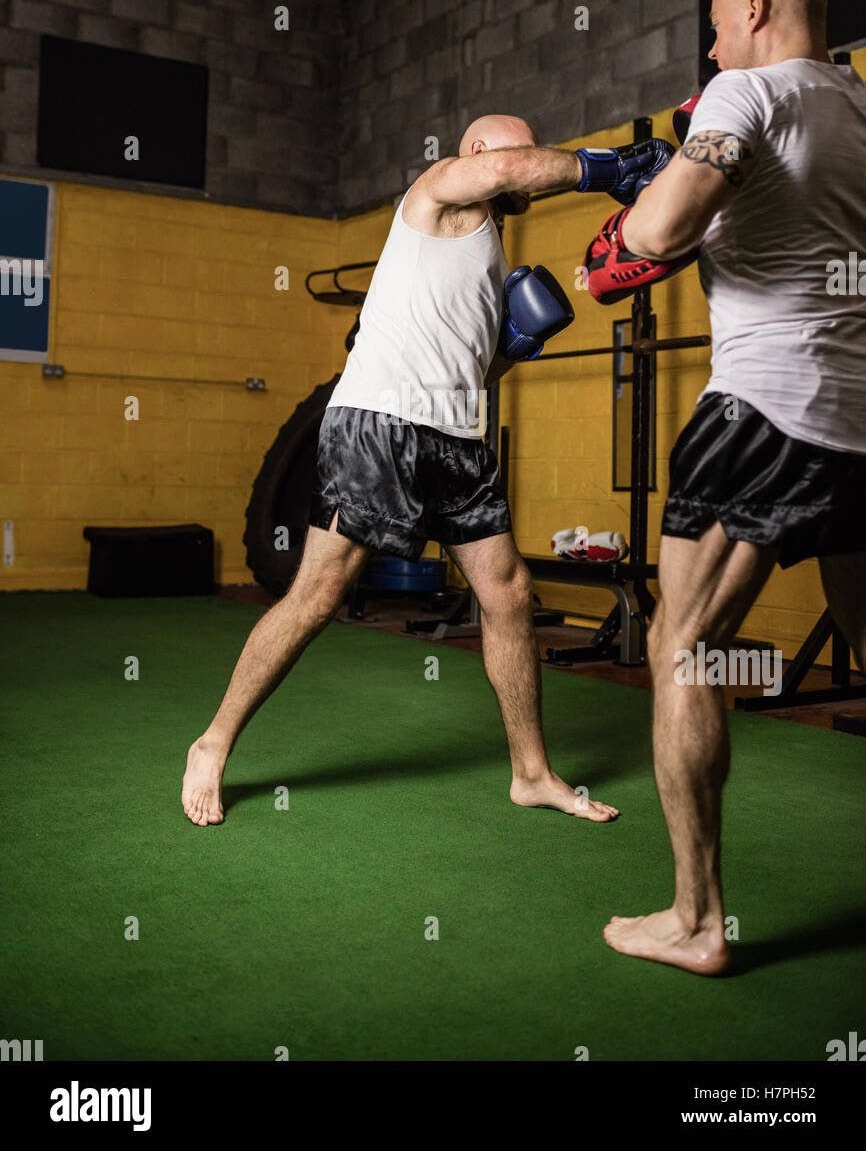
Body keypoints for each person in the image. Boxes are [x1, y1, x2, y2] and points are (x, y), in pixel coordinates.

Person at [182, 113, 670, 827]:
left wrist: (518, 343)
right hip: (380, 422)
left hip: (455, 436)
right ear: (477, 153)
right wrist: (611, 168)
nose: (528, 162)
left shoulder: (486, 254)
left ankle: (531, 773)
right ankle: (213, 742)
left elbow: (479, 367)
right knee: (320, 591)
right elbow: (511, 171)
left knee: (507, 592)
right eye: (517, 148)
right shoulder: (437, 190)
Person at [588, 0, 866, 973]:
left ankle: (696, 919)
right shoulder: (856, 106)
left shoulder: (739, 91)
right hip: (857, 418)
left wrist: (636, 216)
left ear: (752, 8)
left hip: (761, 404)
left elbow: (654, 232)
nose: (709, 46)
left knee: (683, 646)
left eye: (713, 24)